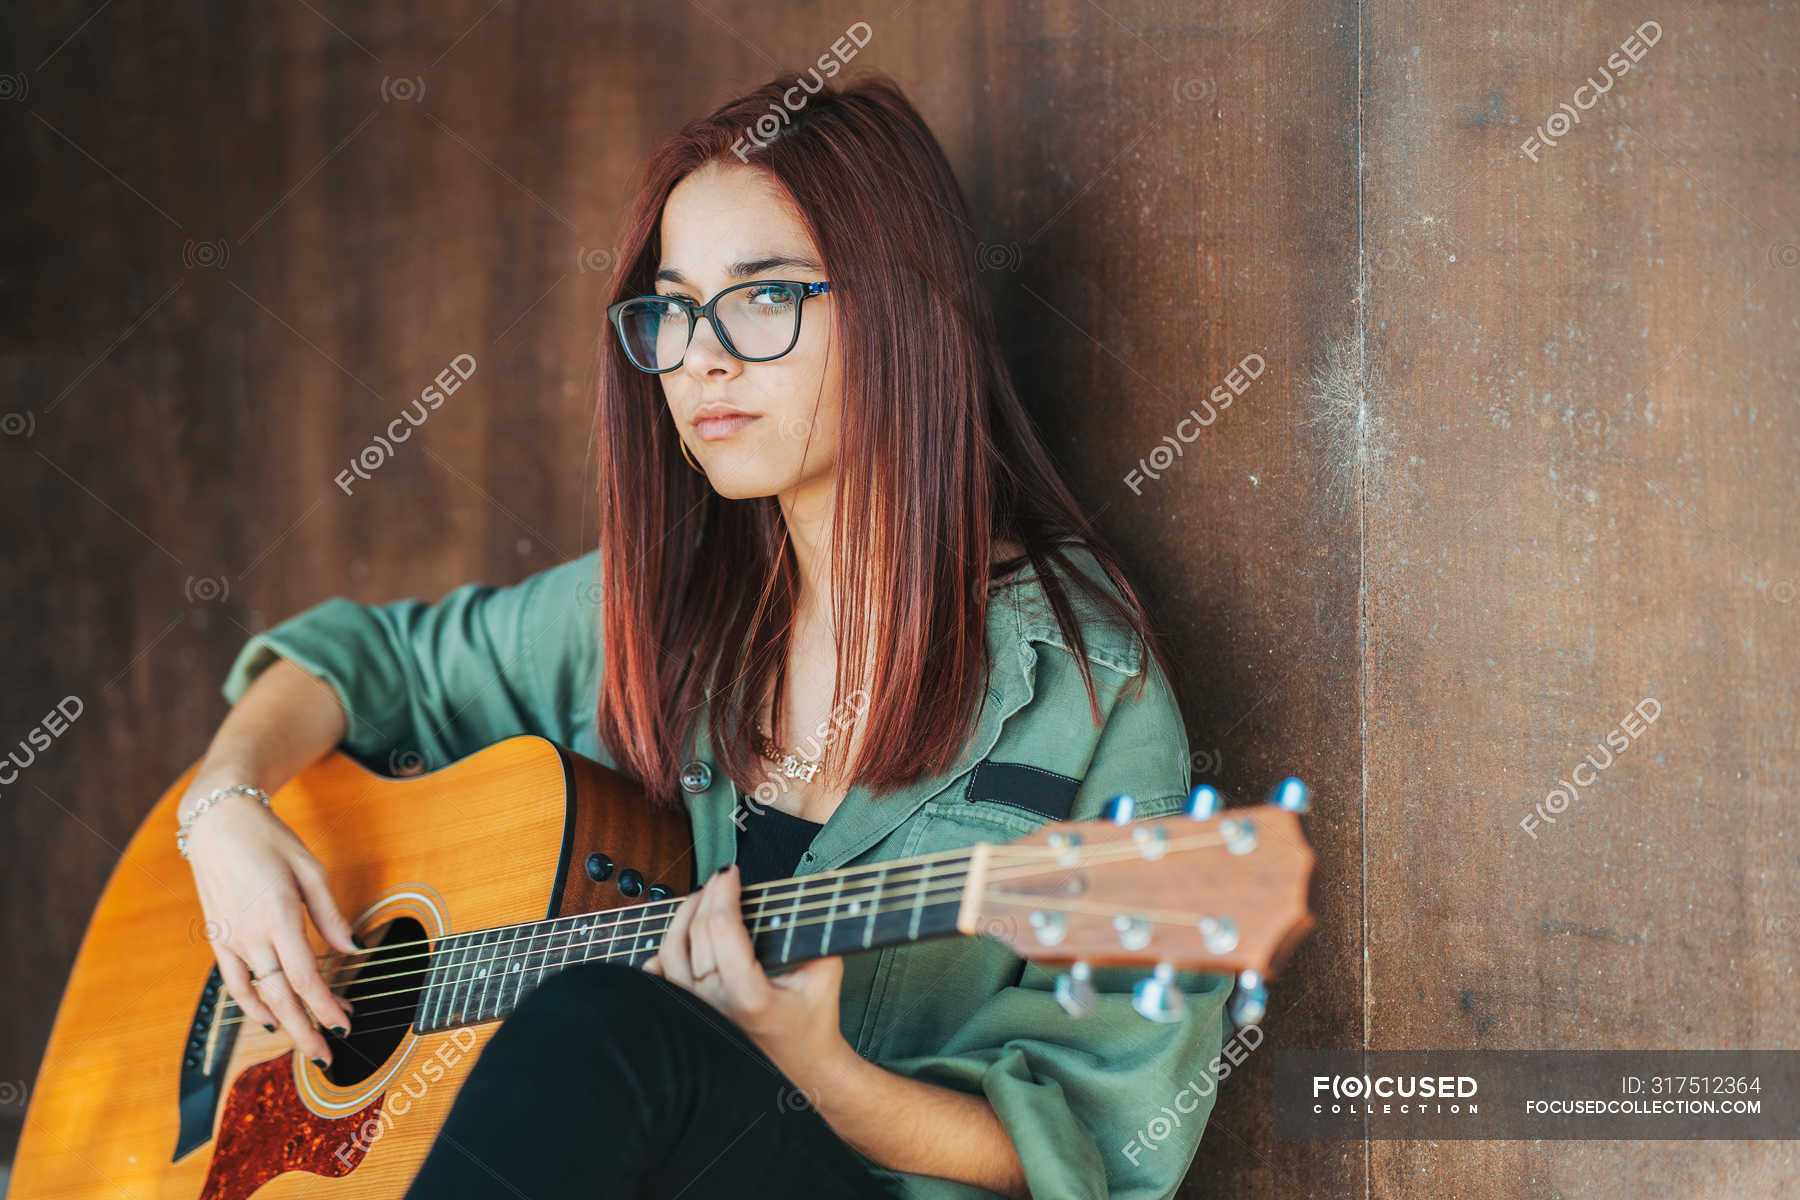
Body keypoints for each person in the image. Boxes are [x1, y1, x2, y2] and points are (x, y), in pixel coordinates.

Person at [180, 70, 1232, 1200]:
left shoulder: (1085, 685)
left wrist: (819, 1077)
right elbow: (365, 661)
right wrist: (226, 807)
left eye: (764, 297)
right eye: (671, 308)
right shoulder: (668, 606)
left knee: (608, 1024)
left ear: (904, 303)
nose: (700, 358)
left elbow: (1108, 1141)